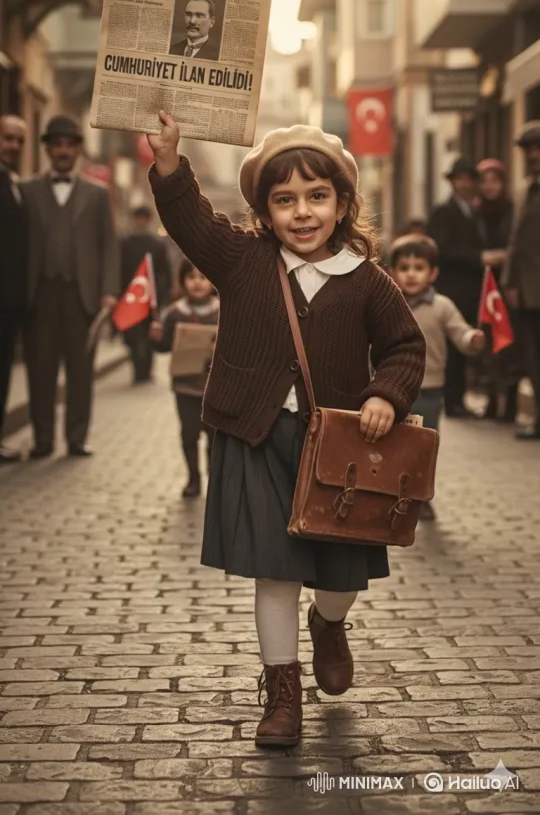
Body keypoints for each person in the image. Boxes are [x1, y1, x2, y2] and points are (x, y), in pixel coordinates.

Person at [147, 111, 426, 749]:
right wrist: (168, 160)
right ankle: (281, 694)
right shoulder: (243, 260)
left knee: (338, 580)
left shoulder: (366, 281)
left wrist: (386, 394)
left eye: (317, 197)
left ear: (342, 203)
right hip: (255, 435)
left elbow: (406, 349)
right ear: (265, 210)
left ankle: (328, 626)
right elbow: (189, 217)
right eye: (285, 200)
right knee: (272, 570)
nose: (302, 212)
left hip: (338, 451)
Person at [20, 116, 120, 459]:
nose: (63, 151)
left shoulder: (97, 194)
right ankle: (43, 440)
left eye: (69, 145)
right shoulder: (27, 190)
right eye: (57, 145)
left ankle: (77, 437)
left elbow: (109, 245)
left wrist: (109, 290)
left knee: (80, 372)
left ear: (78, 151)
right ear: (47, 149)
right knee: (40, 370)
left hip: (83, 297)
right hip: (39, 294)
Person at [390, 235, 485, 519]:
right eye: (404, 267)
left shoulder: (442, 306)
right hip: (393, 389)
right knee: (393, 445)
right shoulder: (388, 302)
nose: (411, 274)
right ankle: (391, 493)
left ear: (433, 273)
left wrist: (473, 339)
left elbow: (460, 332)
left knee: (424, 448)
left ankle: (420, 497)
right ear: (393, 271)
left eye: (418, 267)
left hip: (430, 392)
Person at [428, 157, 502, 418]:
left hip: (474, 291)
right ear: (453, 182)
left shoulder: (477, 212)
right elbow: (442, 249)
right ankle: (453, 401)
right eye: (460, 179)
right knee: (453, 349)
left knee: (470, 344)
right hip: (452, 289)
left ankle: (462, 398)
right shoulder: (443, 212)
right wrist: (479, 257)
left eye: (470, 179)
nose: (465, 184)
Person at [150, 259, 218, 498]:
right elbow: (163, 347)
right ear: (183, 282)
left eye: (203, 277)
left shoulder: (223, 310)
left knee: (215, 436)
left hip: (215, 388)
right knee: (189, 433)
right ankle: (193, 479)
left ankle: (214, 478)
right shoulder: (175, 313)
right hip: (185, 387)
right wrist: (157, 338)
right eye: (191, 278)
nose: (197, 283)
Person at [476, 159, 520, 422]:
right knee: (489, 344)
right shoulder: (476, 213)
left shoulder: (513, 209)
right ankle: (492, 401)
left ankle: (511, 404)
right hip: (484, 287)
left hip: (508, 286)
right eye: (484, 181)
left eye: (494, 180)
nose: (489, 186)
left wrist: (504, 258)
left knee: (511, 344)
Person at [505, 121, 540, 440]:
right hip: (527, 291)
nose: (533, 155)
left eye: (537, 149)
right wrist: (510, 283)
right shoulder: (527, 188)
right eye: (528, 150)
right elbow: (517, 243)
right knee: (532, 358)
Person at [0, 115, 28, 463]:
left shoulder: (13, 182)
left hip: (8, 303)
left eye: (20, 140)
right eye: (7, 138)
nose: (14, 146)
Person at [120, 205, 171, 384]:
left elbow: (165, 271)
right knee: (133, 336)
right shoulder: (124, 243)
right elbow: (119, 269)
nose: (140, 222)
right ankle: (138, 371)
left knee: (150, 335)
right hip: (130, 297)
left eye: (143, 218)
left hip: (151, 298)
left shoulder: (156, 244)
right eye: (137, 218)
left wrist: (164, 294)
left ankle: (147, 370)